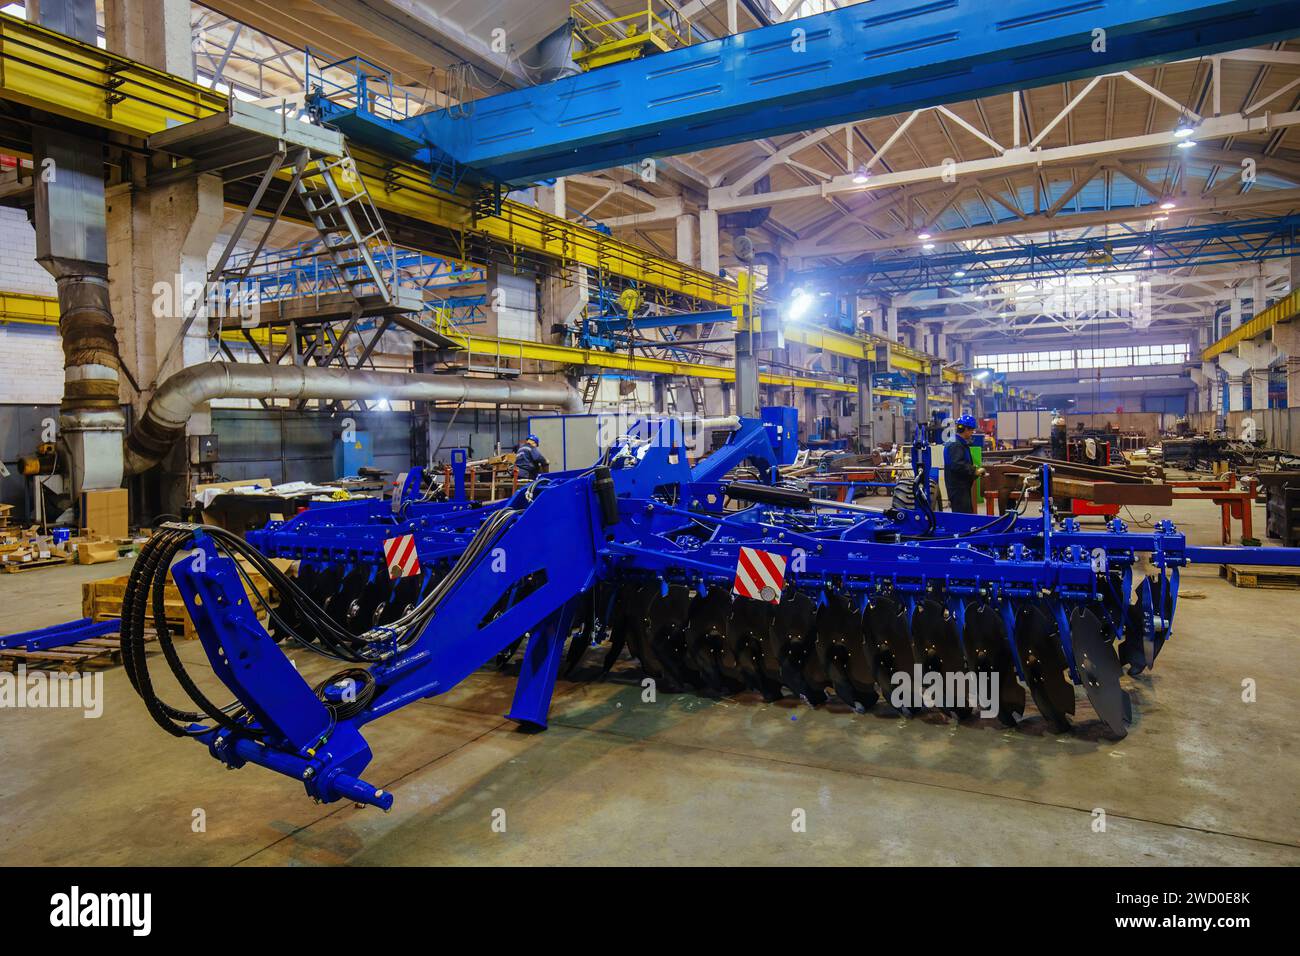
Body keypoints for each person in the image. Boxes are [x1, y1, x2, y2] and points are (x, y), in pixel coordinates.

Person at [943, 414, 985, 513]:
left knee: (965, 515)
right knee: (963, 518)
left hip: (961, 487)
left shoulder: (959, 442)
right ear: (966, 429)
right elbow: (957, 465)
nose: (972, 433)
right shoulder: (955, 444)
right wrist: (974, 471)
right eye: (971, 430)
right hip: (958, 489)